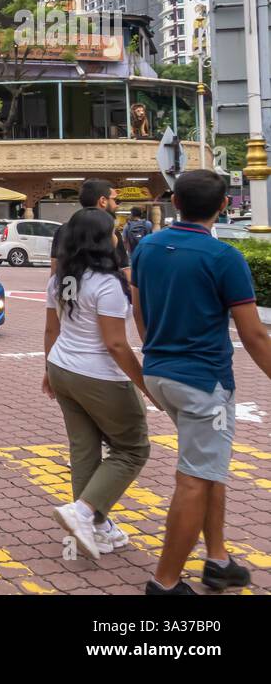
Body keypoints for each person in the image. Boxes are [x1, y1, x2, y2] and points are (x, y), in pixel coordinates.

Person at [132, 170, 271, 594]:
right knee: (194, 478)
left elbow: (139, 312)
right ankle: (166, 582)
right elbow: (254, 334)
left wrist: (159, 350)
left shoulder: (147, 247)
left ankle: (218, 560)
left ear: (174, 202)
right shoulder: (223, 257)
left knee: (208, 469)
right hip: (203, 384)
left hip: (158, 373)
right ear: (225, 206)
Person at [43, 207, 151, 561]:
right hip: (100, 376)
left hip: (62, 368)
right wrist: (145, 385)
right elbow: (116, 344)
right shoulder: (107, 284)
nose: (118, 235)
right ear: (104, 241)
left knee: (85, 448)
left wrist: (48, 369)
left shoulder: (60, 279)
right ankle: (85, 513)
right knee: (132, 448)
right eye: (114, 231)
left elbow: (51, 330)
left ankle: (96, 525)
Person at [50, 179, 124, 276]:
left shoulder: (63, 230)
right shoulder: (111, 232)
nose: (116, 205)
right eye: (115, 200)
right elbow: (124, 268)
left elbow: (55, 271)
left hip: (70, 288)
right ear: (103, 201)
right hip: (104, 288)